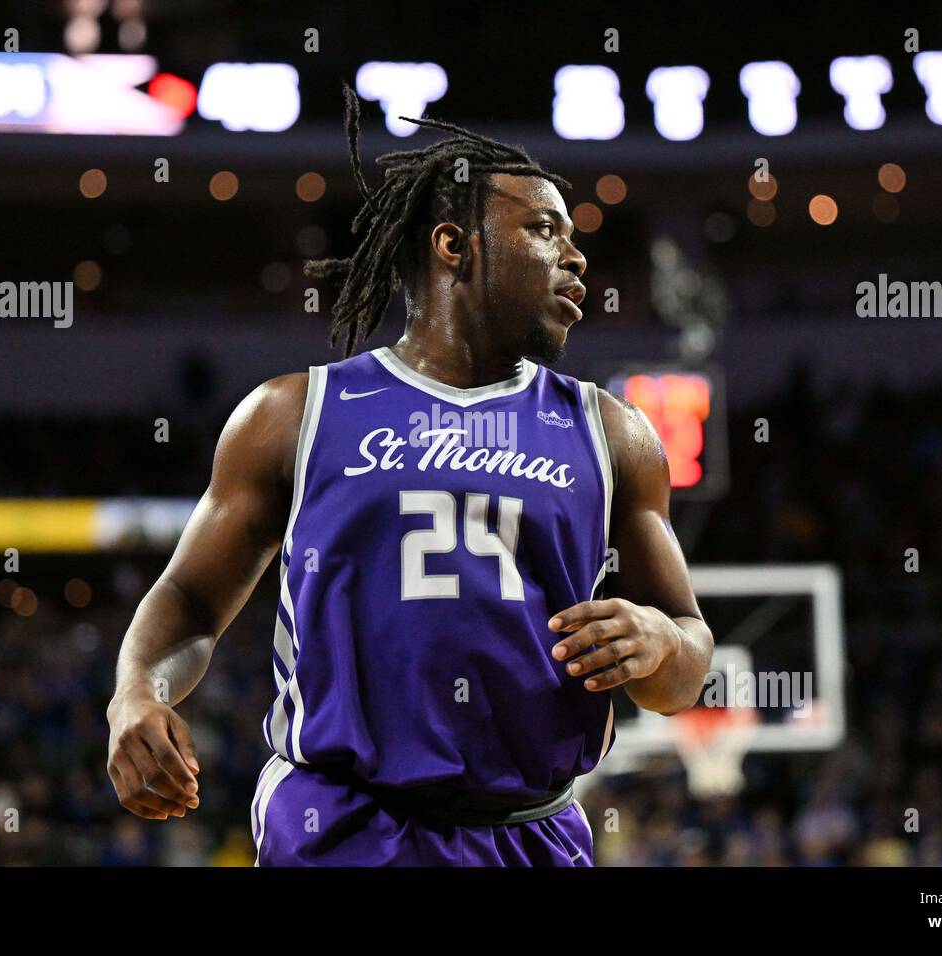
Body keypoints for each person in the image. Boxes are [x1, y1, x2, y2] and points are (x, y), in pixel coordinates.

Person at [106, 84, 713, 866]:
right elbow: (189, 601)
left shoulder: (614, 434)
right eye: (544, 230)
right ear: (453, 246)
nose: (577, 256)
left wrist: (661, 640)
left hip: (532, 831)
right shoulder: (293, 414)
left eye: (575, 237)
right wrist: (135, 695)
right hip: (343, 827)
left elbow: (684, 667)